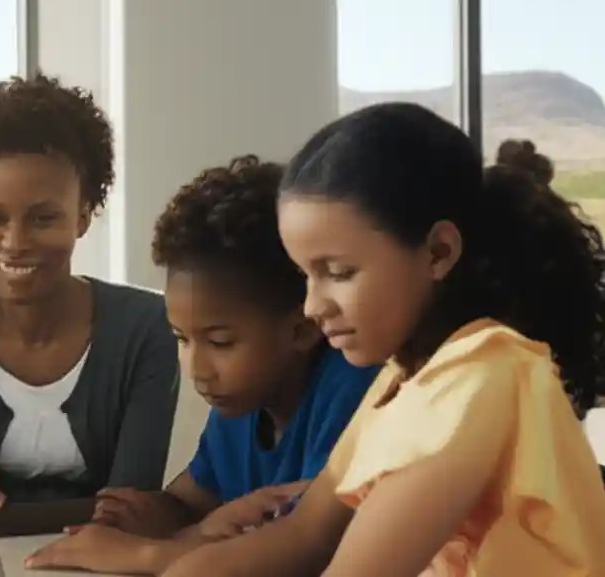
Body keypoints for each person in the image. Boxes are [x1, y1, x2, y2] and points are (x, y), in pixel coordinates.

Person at [166, 103, 605, 577]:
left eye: (337, 272)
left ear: (438, 252)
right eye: (305, 275)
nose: (314, 305)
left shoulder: (484, 375)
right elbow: (303, 538)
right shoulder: (401, 377)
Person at [25, 156, 377, 574]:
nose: (197, 368)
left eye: (220, 342)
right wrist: (150, 515)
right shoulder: (242, 401)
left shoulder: (354, 390)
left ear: (302, 328)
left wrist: (148, 554)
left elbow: (307, 553)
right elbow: (193, 499)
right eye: (182, 339)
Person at [0, 73, 179, 518]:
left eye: (43, 219)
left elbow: (128, 508)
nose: (15, 241)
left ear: (82, 217)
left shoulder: (146, 325)